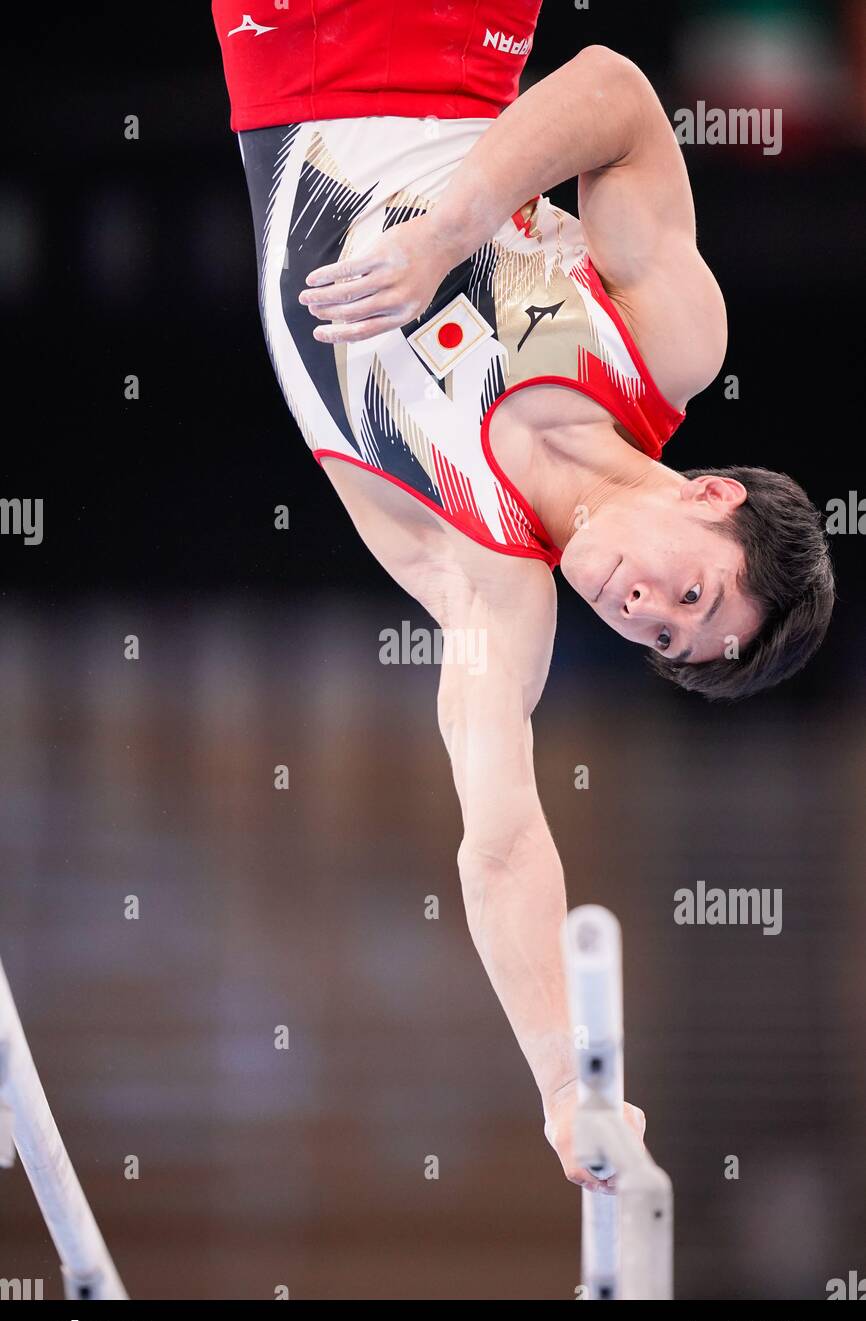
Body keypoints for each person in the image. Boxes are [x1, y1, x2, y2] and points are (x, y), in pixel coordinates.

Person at [211, 3, 834, 1190]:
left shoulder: (490, 587)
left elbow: (499, 843)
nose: (640, 607)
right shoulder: (664, 342)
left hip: (282, 51)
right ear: (708, 497)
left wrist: (565, 1086)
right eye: (687, 593)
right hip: (458, 36)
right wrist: (448, 228)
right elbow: (610, 90)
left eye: (659, 634)